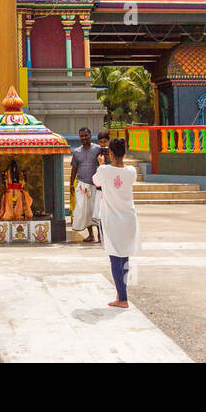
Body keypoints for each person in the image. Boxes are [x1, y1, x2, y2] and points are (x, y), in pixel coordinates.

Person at [93, 137, 141, 308]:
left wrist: (101, 164)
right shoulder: (131, 171)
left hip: (111, 218)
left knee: (114, 255)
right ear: (125, 153)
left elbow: (96, 182)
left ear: (110, 153)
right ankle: (122, 292)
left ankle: (122, 298)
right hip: (129, 218)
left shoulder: (104, 170)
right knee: (124, 255)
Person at [69, 127, 102, 243]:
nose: (84, 138)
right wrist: (71, 185)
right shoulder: (77, 152)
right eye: (81, 136)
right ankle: (91, 235)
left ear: (90, 135)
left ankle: (100, 235)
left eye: (86, 136)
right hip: (82, 186)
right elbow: (74, 169)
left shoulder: (98, 149)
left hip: (95, 186)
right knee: (85, 211)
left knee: (96, 211)